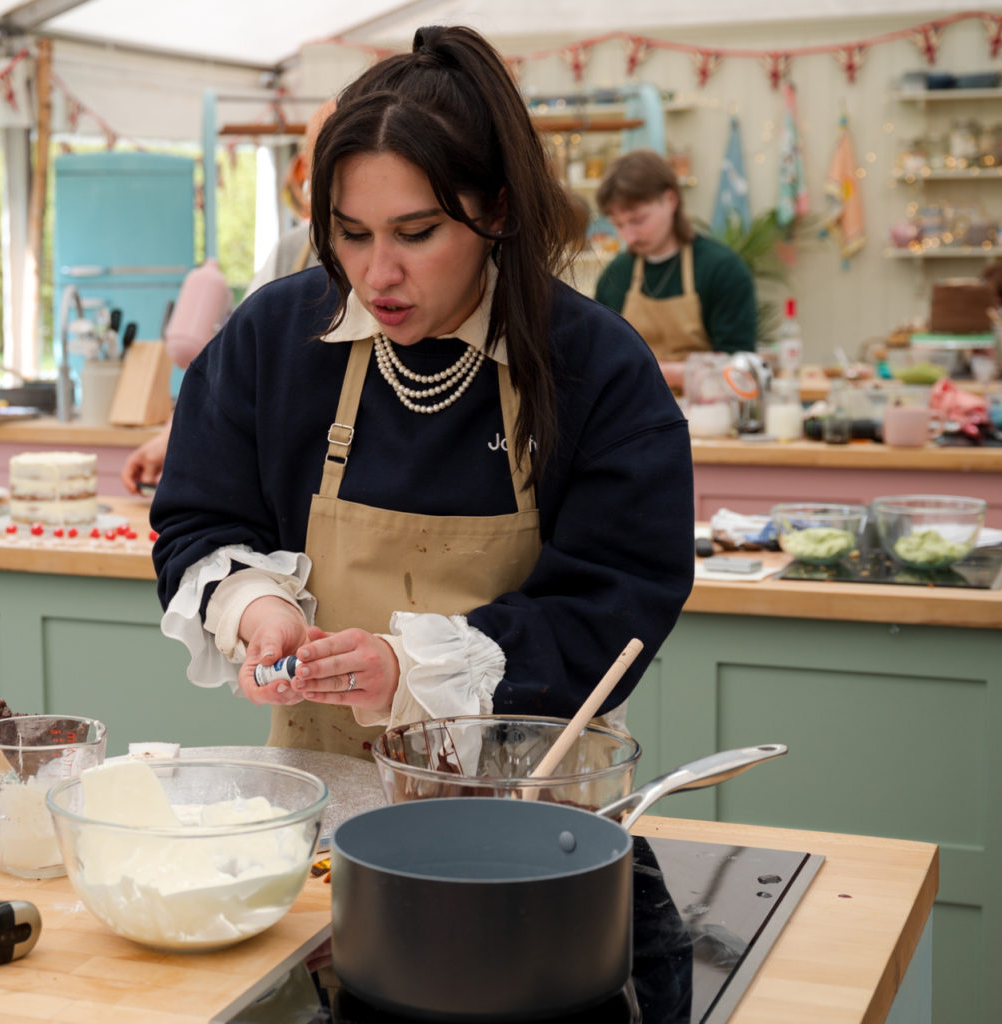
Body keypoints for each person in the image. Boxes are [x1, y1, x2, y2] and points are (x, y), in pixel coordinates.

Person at [147, 26, 693, 758]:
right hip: (327, 791)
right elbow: (199, 524)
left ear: (496, 211)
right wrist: (258, 607)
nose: (377, 276)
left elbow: (613, 605)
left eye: (416, 232)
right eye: (351, 233)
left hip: (533, 792)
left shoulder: (594, 368)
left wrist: (412, 670)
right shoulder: (274, 340)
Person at [121, 101, 336, 496]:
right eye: (320, 175)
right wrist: (169, 439)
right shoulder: (294, 253)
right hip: (289, 481)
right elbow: (225, 364)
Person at [593, 149, 758, 392]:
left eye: (638, 220)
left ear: (670, 200)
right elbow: (601, 358)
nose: (628, 236)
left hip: (708, 415)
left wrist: (661, 372)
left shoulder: (722, 269)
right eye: (619, 224)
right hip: (633, 418)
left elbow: (739, 366)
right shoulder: (615, 276)